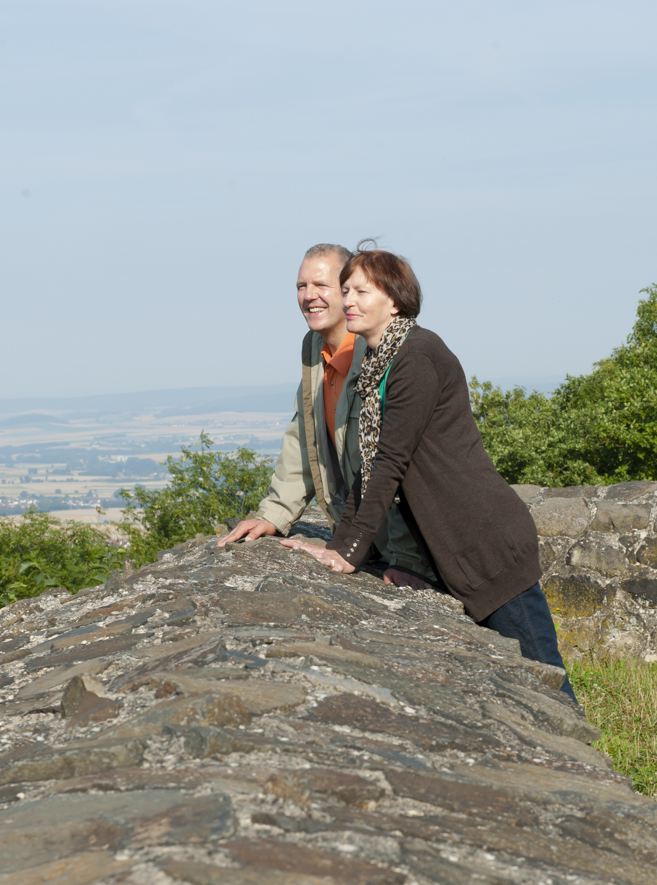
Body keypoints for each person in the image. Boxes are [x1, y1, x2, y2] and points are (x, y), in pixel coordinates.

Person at [282, 246, 578, 707]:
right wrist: (338, 546)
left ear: (394, 300)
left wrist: (348, 554)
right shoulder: (381, 361)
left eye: (361, 291)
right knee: (509, 693)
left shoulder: (416, 356)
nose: (349, 301)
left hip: (484, 545)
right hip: (451, 546)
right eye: (347, 291)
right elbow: (367, 472)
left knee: (546, 686)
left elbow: (389, 464)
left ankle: (587, 775)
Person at [219, 244, 437, 586]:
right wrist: (274, 515)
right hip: (364, 539)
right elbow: (305, 438)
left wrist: (408, 560)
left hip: (413, 547)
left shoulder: (380, 352)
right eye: (301, 286)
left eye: (322, 286)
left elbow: (394, 462)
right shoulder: (314, 349)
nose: (309, 296)